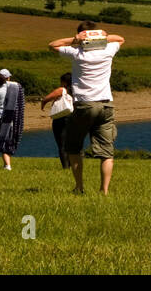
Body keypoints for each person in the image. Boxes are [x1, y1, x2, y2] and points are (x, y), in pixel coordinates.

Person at [48, 21, 124, 194]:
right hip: (106, 104)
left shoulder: (77, 53)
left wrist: (76, 39)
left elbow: (52, 45)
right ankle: (104, 191)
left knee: (73, 147)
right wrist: (102, 36)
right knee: (106, 152)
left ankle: (79, 187)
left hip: (84, 105)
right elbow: (120, 39)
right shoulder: (108, 50)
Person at [0, 69, 24, 169]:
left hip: (0, 118)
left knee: (2, 141)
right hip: (13, 118)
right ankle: (7, 164)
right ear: (8, 78)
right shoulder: (15, 89)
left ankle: (7, 165)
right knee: (9, 141)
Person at [40, 72, 75, 168]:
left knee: (62, 144)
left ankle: (66, 167)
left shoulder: (62, 89)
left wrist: (43, 104)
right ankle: (72, 164)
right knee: (70, 143)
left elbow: (47, 98)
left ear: (64, 82)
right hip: (72, 117)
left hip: (61, 118)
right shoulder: (75, 90)